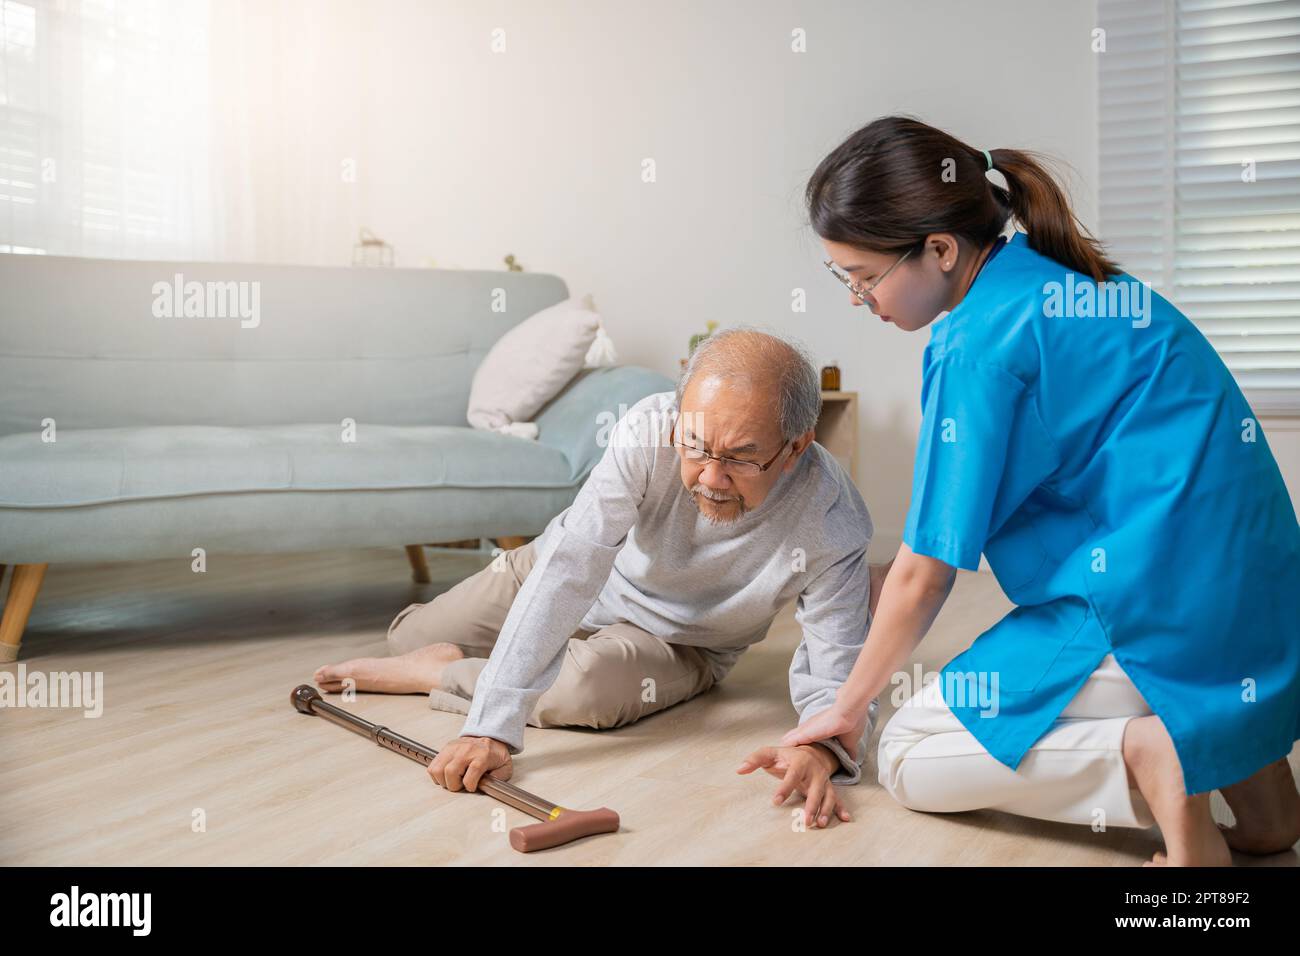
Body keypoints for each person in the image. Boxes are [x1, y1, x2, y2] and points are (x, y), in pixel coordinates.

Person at [782, 115, 1300, 866]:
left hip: (1147, 608)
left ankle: (1145, 754)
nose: (859, 297)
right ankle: (1256, 805)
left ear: (939, 249)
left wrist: (845, 712)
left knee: (905, 748)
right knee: (1269, 835)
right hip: (1255, 593)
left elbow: (925, 571)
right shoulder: (1080, 283)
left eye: (864, 276)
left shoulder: (977, 346)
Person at [316, 329, 884, 829]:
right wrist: (491, 719)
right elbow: (570, 569)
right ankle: (433, 658)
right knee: (405, 636)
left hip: (678, 640)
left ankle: (440, 674)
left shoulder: (831, 517)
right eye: (695, 445)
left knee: (585, 692)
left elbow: (840, 659)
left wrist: (824, 748)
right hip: (565, 572)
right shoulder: (647, 430)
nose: (711, 477)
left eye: (740, 458)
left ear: (796, 448)